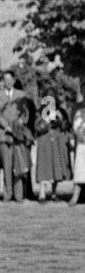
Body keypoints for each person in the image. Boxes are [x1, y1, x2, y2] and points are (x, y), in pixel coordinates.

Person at [33, 95, 72, 203]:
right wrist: (47, 120)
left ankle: (54, 192)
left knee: (56, 166)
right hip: (44, 141)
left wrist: (60, 119)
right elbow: (37, 127)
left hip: (57, 140)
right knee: (43, 165)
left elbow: (66, 126)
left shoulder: (61, 112)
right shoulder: (40, 112)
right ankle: (42, 193)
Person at [0, 68, 31, 201]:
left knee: (18, 163)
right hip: (3, 134)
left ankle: (19, 195)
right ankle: (7, 194)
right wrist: (5, 126)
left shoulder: (21, 94)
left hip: (18, 134)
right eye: (5, 80)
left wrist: (21, 121)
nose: (7, 82)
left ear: (13, 80)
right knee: (6, 165)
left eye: (10, 79)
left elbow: (26, 113)